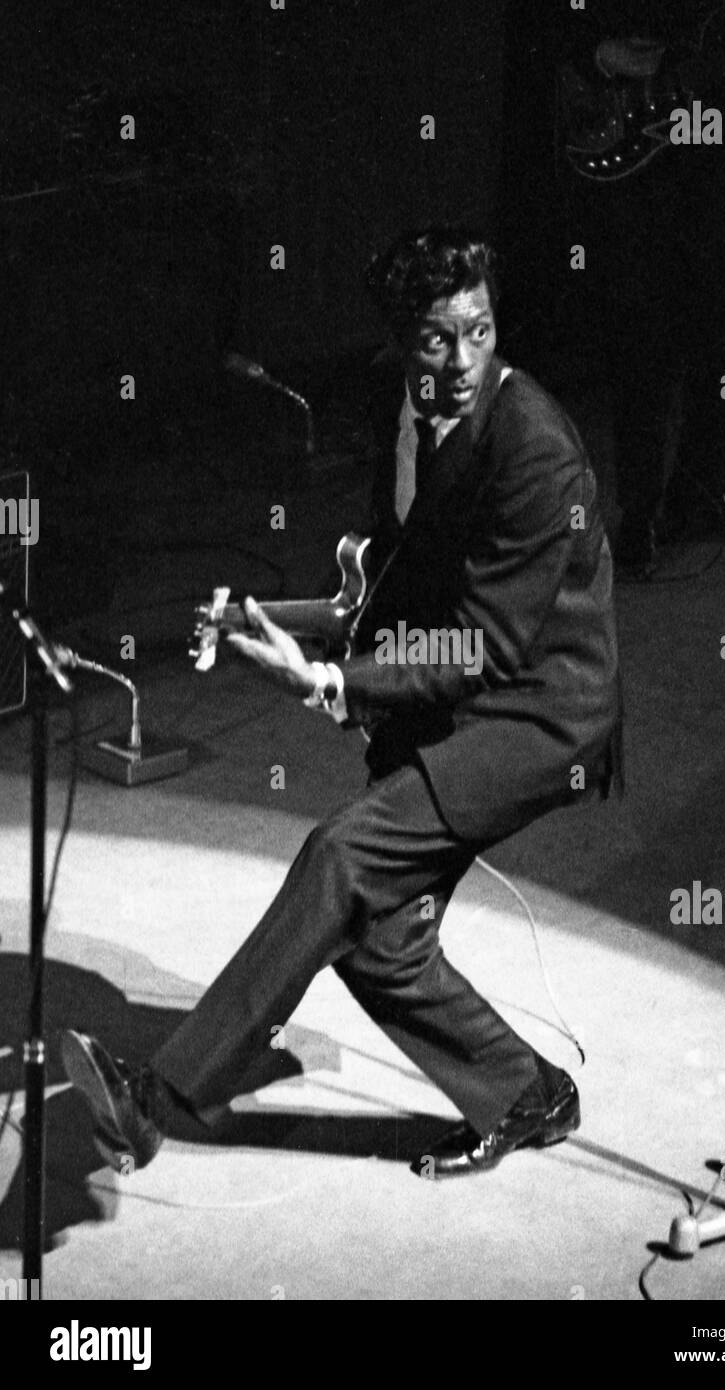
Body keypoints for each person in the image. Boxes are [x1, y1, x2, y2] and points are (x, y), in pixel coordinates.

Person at [62, 226, 624, 1179]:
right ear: (402, 343)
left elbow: (479, 648)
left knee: (341, 855)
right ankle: (524, 1094)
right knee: (372, 935)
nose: (458, 362)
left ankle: (155, 1101)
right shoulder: (402, 409)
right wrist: (275, 621)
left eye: (478, 333)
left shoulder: (535, 452)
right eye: (435, 341)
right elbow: (388, 579)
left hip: (535, 717)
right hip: (454, 697)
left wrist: (327, 681)